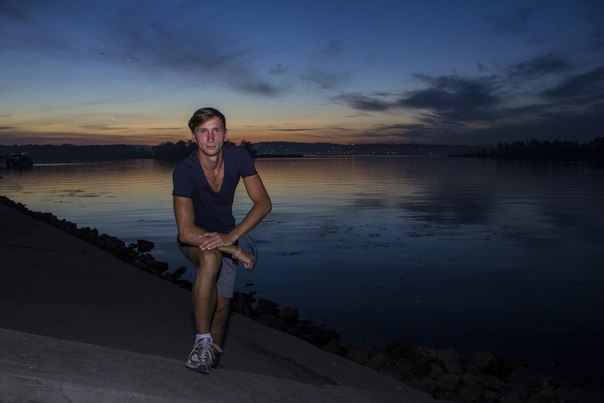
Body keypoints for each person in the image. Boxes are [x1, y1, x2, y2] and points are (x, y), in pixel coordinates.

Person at [172, 107, 272, 374]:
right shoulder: (184, 171)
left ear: (225, 134)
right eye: (203, 131)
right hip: (195, 240)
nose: (210, 138)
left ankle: (208, 363)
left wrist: (232, 237)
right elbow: (185, 232)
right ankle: (201, 342)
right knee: (210, 256)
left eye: (216, 130)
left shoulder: (239, 158)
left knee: (221, 309)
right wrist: (235, 251)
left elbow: (263, 203)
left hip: (228, 235)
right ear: (194, 137)